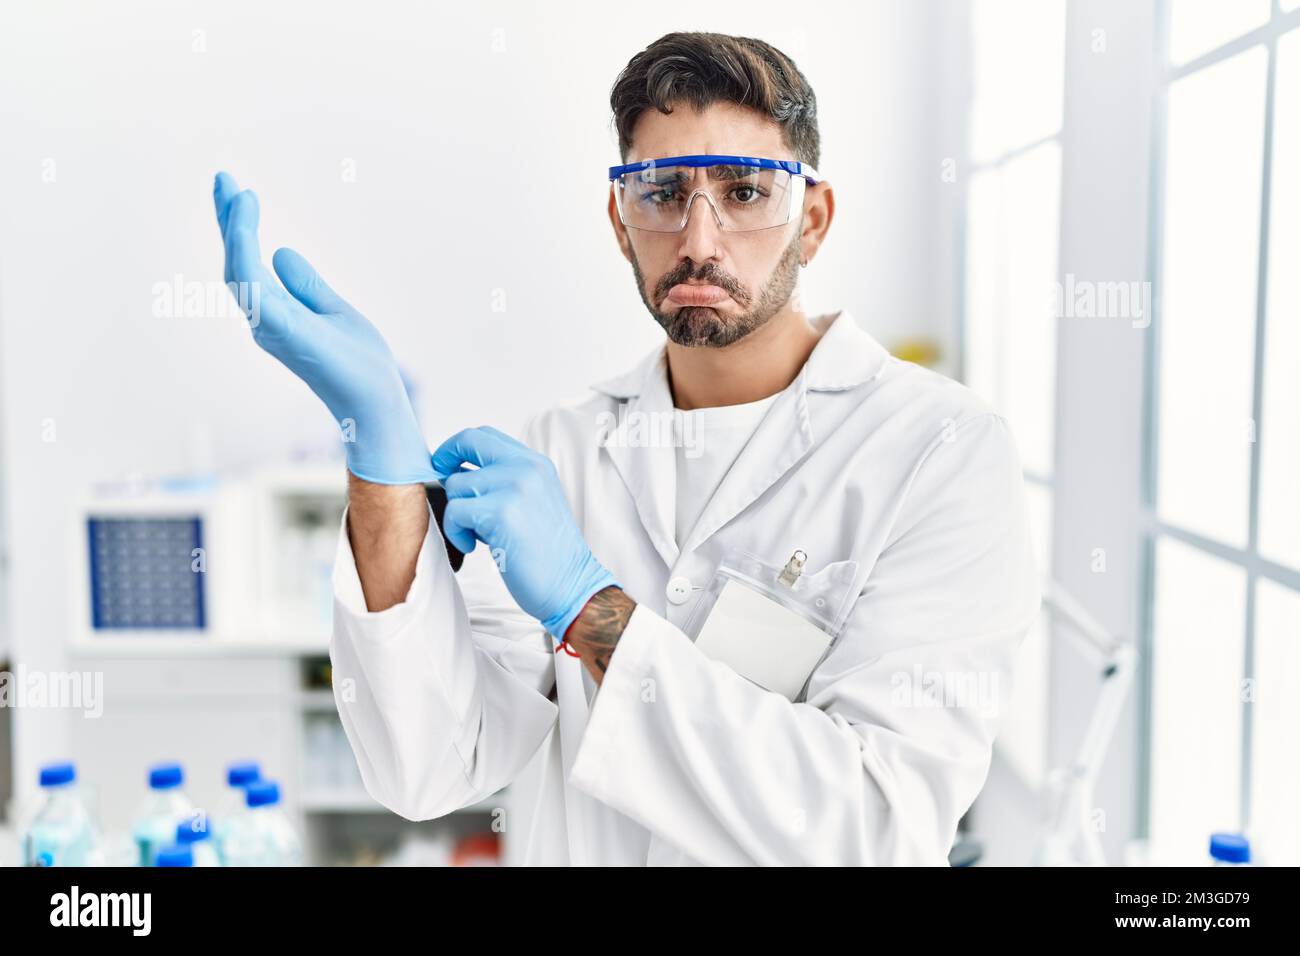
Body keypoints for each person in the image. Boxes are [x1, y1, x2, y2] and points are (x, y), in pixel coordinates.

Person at [213, 31, 1039, 866]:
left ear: (813, 220)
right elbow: (428, 767)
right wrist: (379, 463)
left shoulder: (940, 454)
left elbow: (874, 830)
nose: (699, 240)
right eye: (662, 193)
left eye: (746, 192)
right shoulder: (561, 449)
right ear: (620, 220)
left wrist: (587, 605)